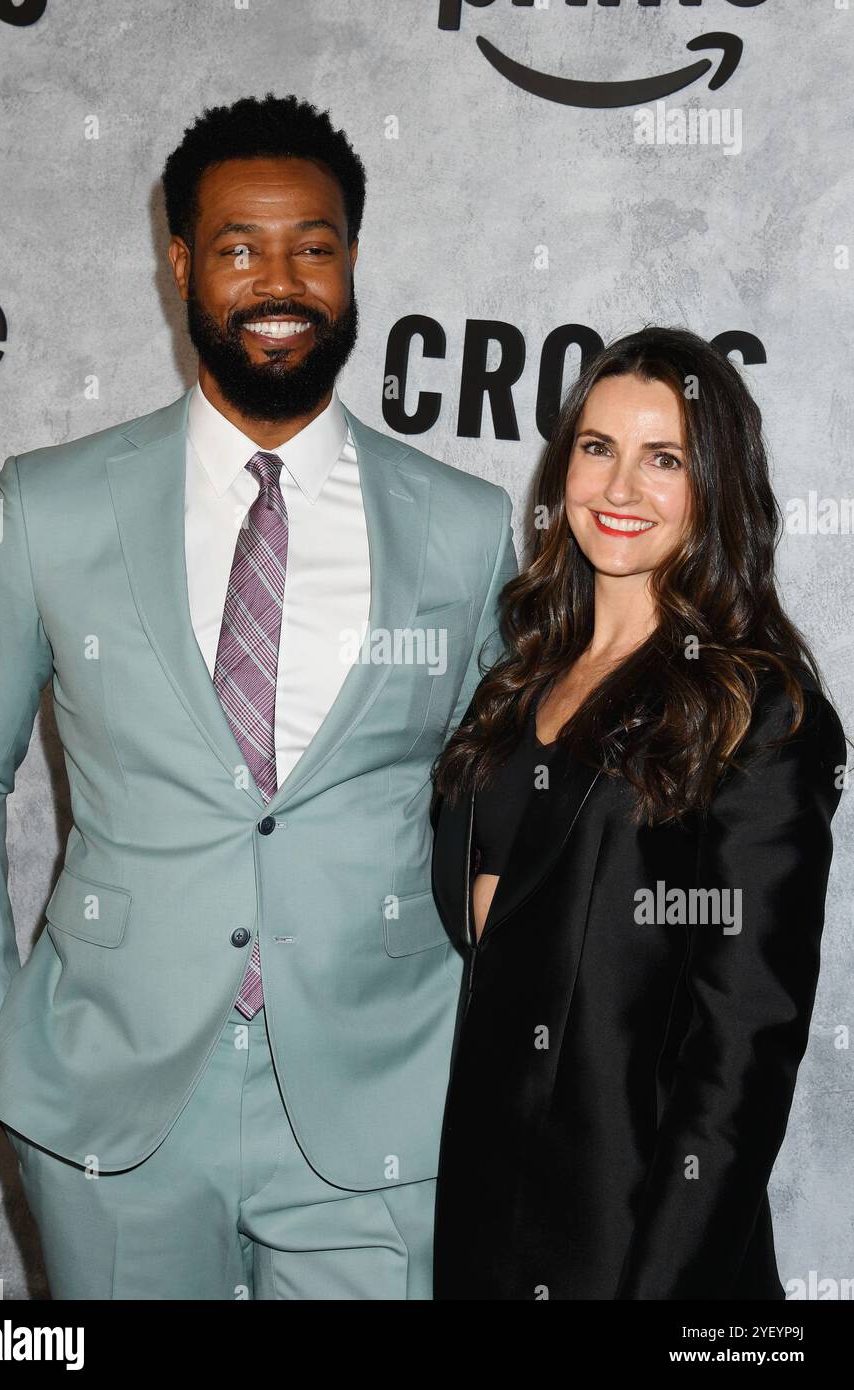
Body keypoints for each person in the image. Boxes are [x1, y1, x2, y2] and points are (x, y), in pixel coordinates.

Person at [0, 92, 516, 1300]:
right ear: (183, 263)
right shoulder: (45, 504)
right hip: (110, 1096)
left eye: (313, 244)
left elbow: (508, 799)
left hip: (386, 1095)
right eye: (241, 247)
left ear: (352, 262)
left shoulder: (465, 526)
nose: (279, 278)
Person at [430, 325, 848, 1300]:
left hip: (642, 1250)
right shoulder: (518, 682)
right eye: (597, 448)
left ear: (715, 486)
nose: (621, 489)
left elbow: (742, 1054)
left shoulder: (757, 709)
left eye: (663, 459)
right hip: (488, 1230)